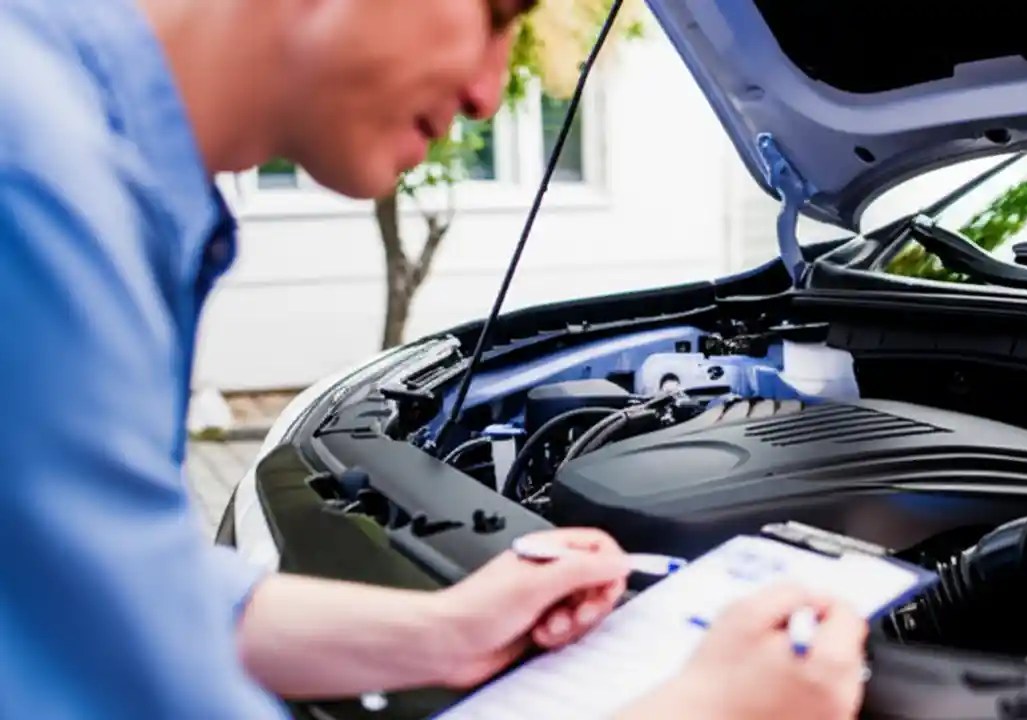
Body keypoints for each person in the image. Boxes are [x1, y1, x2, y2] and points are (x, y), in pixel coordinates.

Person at [0, 0, 869, 717]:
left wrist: (445, 631)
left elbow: (125, 601)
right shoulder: (35, 189)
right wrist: (702, 709)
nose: (493, 95)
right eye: (496, 14)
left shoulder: (55, 129)